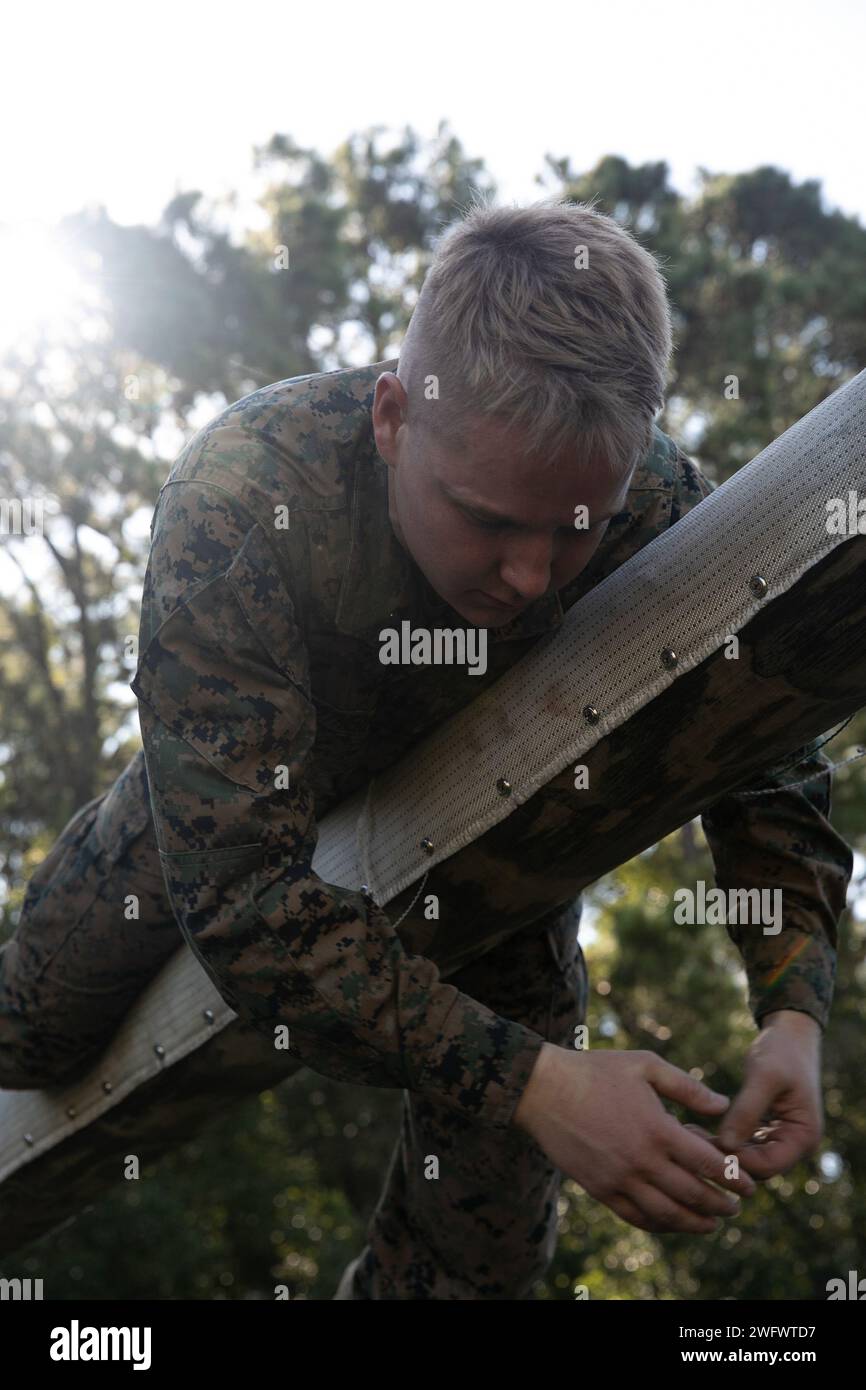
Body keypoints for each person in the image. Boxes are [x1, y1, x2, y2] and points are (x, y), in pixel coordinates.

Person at [0, 196, 852, 1299]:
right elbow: (244, 903)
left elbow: (767, 747)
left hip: (502, 853)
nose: (532, 574)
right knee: (31, 1029)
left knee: (478, 1273)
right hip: (228, 819)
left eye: (574, 528)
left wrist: (790, 1009)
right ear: (395, 417)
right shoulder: (244, 496)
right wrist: (542, 1087)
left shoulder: (655, 501)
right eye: (491, 520)